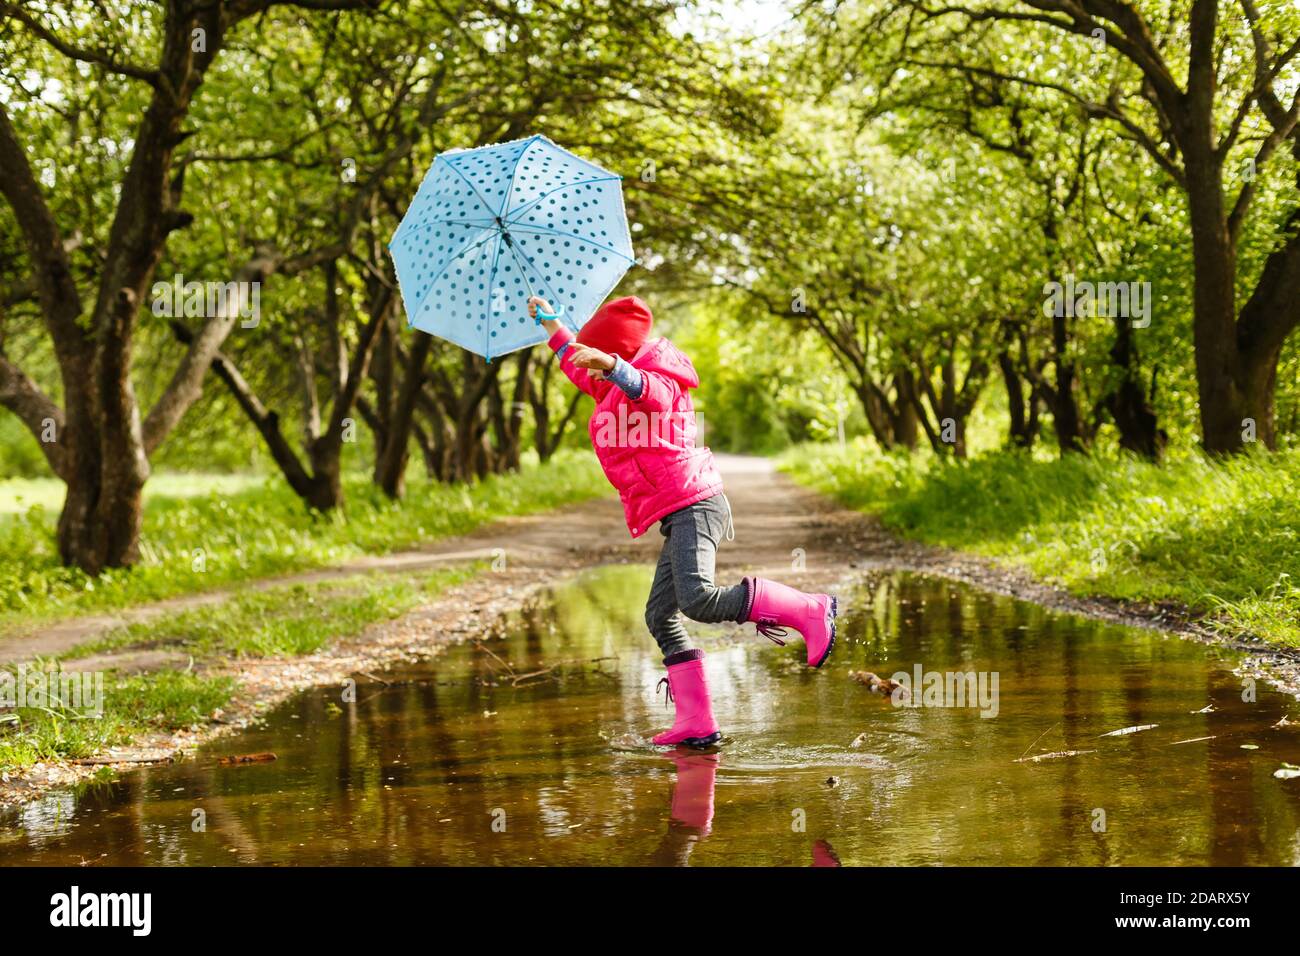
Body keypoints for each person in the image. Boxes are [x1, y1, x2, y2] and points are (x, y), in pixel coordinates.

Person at [529, 294, 837, 748]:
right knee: (659, 614)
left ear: (620, 354)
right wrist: (551, 325)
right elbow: (580, 365)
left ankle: (809, 610)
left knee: (698, 599)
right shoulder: (607, 383)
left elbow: (643, 389)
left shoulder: (662, 381)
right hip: (677, 513)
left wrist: (613, 367)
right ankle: (697, 720)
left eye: (602, 363)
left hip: (697, 505)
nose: (591, 374)